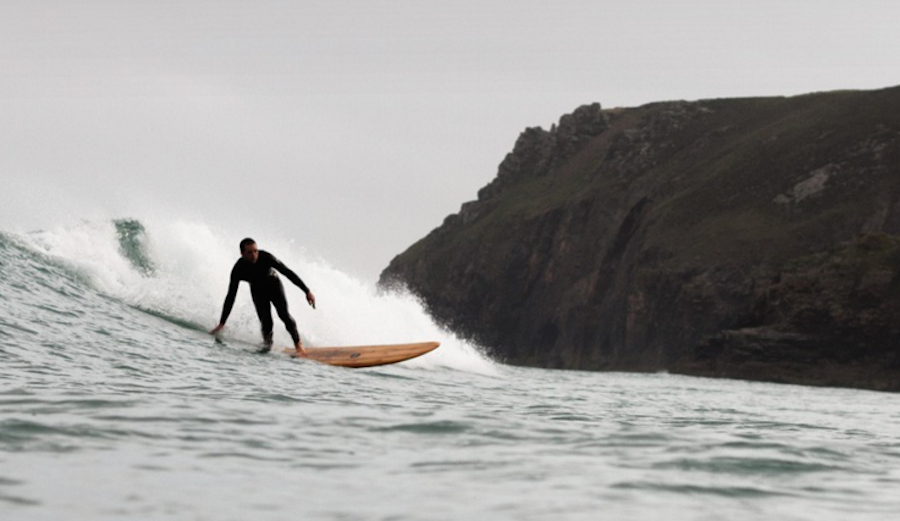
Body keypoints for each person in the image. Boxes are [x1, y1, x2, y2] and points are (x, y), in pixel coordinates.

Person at [209, 238, 316, 355]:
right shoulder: (238, 269)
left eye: (255, 251)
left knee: (283, 314)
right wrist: (222, 323)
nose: (254, 255)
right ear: (242, 254)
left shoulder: (266, 257)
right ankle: (267, 345)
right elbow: (231, 296)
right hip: (258, 291)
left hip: (274, 285)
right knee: (266, 322)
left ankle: (298, 343)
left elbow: (287, 272)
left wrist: (307, 291)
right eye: (250, 252)